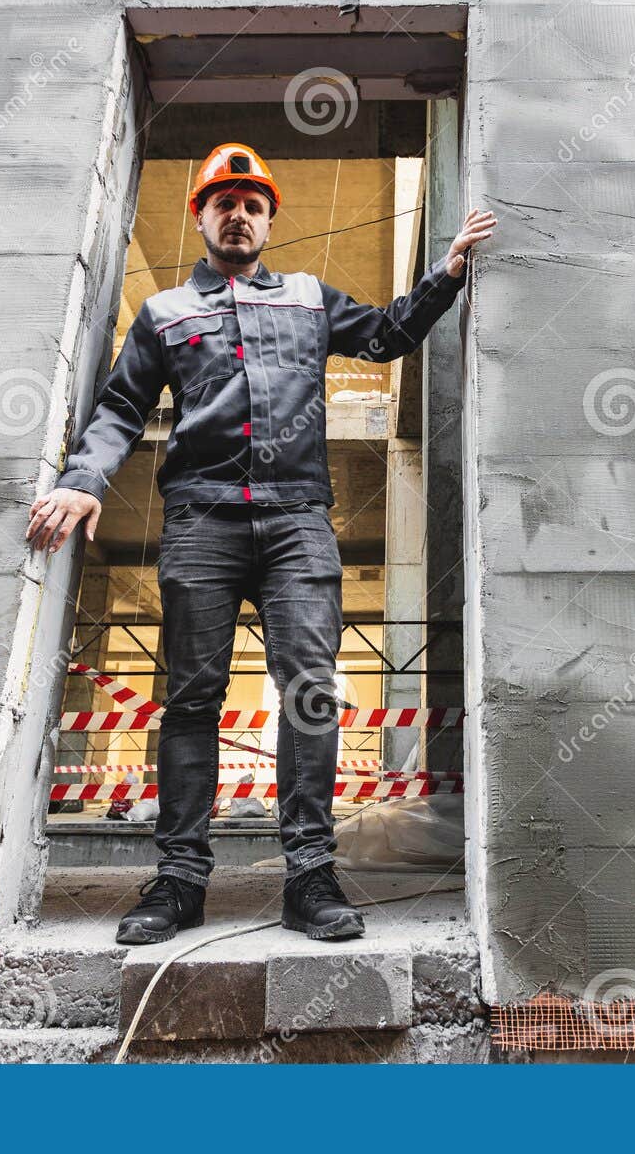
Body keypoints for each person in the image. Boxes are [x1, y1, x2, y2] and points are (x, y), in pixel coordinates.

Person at [25, 143, 496, 945]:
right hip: (200, 519)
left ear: (270, 219)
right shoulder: (166, 313)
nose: (238, 215)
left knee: (310, 690)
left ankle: (310, 876)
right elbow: (120, 406)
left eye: (252, 204)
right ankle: (179, 880)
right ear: (200, 216)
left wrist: (446, 274)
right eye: (224, 203)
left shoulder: (310, 299)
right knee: (191, 698)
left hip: (296, 521)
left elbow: (386, 335)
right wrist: (83, 479)